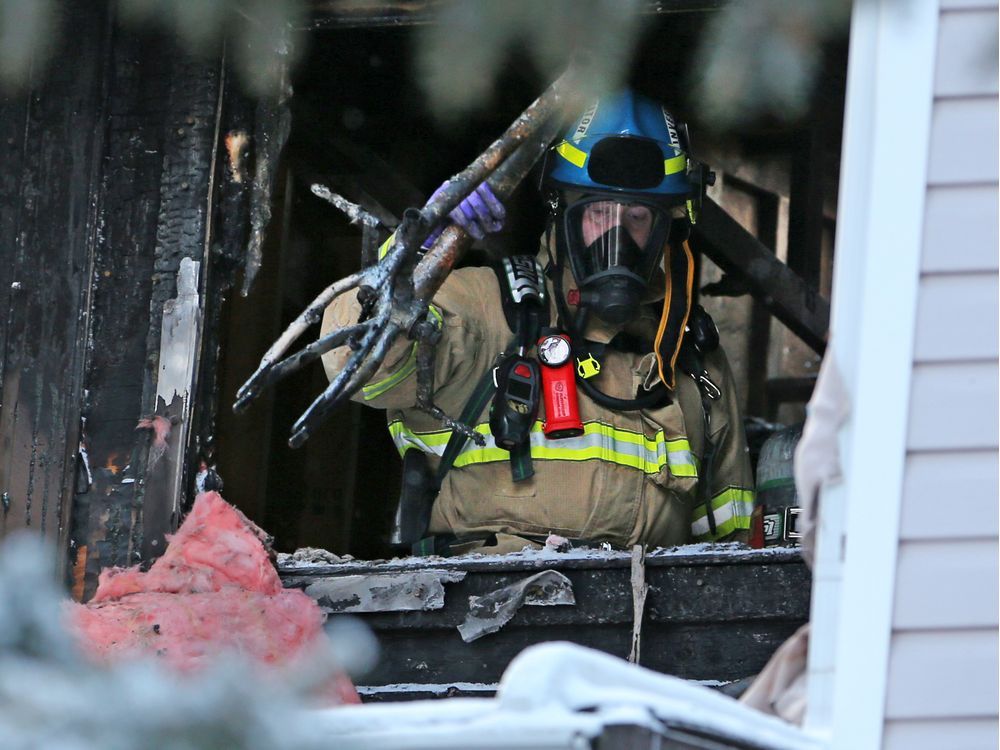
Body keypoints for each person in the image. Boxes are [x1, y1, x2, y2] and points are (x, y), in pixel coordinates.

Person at [321, 89, 754, 555]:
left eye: (636, 216)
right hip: (485, 595)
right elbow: (355, 366)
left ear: (667, 226)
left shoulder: (691, 359)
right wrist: (414, 262)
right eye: (598, 213)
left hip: (644, 599)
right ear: (560, 211)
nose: (617, 236)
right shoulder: (484, 308)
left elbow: (730, 543)